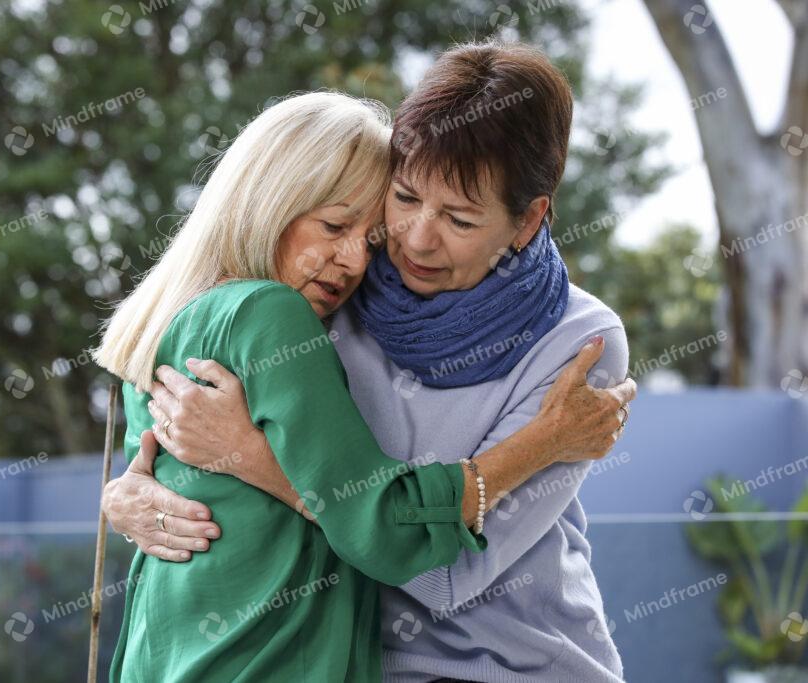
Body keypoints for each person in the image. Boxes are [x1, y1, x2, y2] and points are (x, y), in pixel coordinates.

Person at [109, 43, 633, 682]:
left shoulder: (581, 343)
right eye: (406, 199)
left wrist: (251, 458)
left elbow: (445, 572)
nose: (415, 240)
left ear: (526, 222)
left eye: (460, 219)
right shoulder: (330, 297)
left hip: (511, 664)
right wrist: (126, 492)